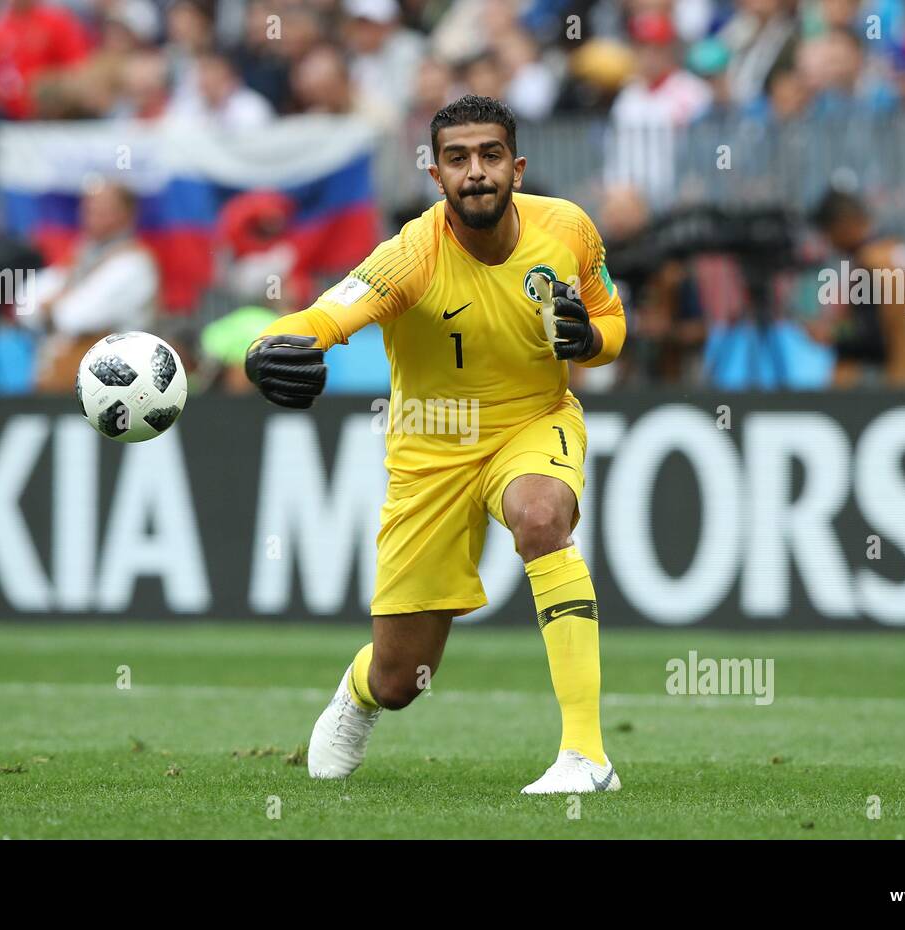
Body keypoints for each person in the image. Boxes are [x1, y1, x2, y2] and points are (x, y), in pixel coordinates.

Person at [245, 96, 626, 794]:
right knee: (401, 678)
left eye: (488, 155)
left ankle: (586, 756)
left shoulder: (569, 228)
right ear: (434, 172)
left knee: (543, 518)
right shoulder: (411, 256)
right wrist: (270, 345)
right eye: (457, 159)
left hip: (533, 421)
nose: (474, 172)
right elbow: (330, 313)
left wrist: (594, 341)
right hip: (431, 453)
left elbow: (608, 316)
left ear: (517, 165)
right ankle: (357, 694)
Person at [19, 180, 160, 393]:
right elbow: (25, 305)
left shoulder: (134, 263)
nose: (93, 216)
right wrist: (52, 306)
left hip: (116, 388)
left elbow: (76, 317)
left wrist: (52, 306)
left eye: (104, 210)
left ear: (126, 214)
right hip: (66, 383)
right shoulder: (80, 255)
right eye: (89, 208)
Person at [807, 187, 905, 387]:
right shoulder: (901, 253)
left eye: (828, 233)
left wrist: (829, 331)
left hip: (888, 389)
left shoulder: (868, 263)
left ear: (844, 224)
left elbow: (869, 337)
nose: (830, 242)